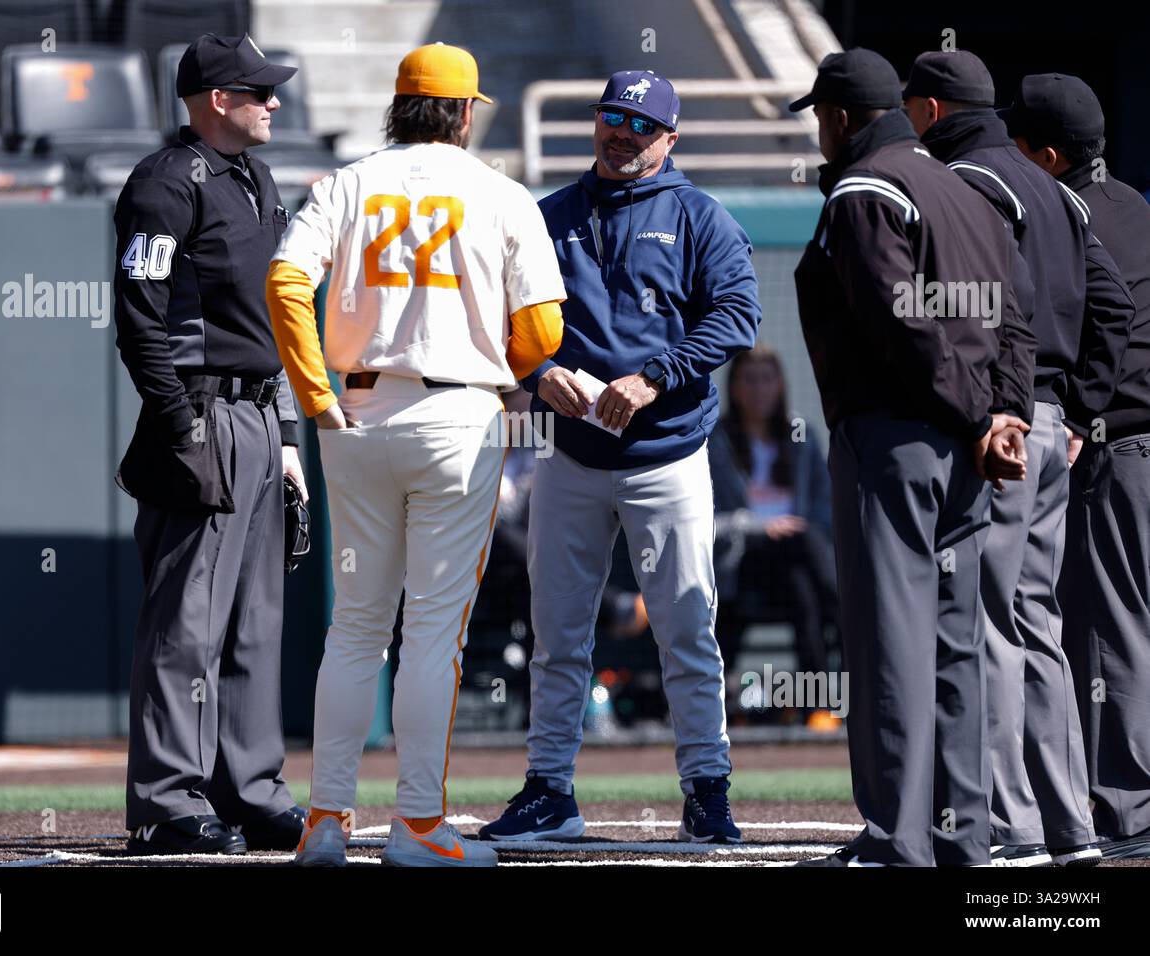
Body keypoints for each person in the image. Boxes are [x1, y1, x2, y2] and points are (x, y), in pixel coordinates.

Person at [266, 42, 565, 867]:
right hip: (456, 415)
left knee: (355, 627)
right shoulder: (503, 194)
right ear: (465, 113)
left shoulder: (344, 182)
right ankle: (419, 826)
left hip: (355, 413)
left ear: (399, 106)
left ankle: (325, 820)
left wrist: (317, 396)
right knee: (434, 630)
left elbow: (287, 283)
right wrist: (502, 362)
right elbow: (543, 333)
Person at [478, 69, 762, 846]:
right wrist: (540, 373)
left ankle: (707, 791)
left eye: (641, 124)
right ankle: (549, 791)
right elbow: (505, 317)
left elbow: (740, 313)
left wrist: (656, 376)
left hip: (667, 452)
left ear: (670, 138)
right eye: (612, 116)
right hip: (569, 456)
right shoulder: (550, 216)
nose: (622, 133)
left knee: (686, 632)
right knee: (557, 634)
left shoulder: (699, 214)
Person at [790, 49, 1036, 867]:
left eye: (821, 117)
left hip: (899, 442)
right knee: (956, 644)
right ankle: (961, 834)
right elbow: (1015, 323)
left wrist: (974, 416)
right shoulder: (966, 192)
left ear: (843, 117)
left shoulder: (866, 191)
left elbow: (901, 327)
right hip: (971, 452)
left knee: (891, 640)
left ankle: (899, 840)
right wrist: (1002, 415)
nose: (819, 132)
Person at [906, 52, 1135, 867]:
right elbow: (1113, 306)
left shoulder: (969, 183)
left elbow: (990, 308)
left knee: (986, 624)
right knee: (1036, 622)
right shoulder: (1063, 195)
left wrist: (992, 407)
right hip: (1048, 425)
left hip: (1001, 424)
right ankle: (1070, 827)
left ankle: (1015, 825)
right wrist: (1078, 409)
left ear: (930, 109)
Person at [112, 34, 309, 856]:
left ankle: (251, 790)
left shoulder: (253, 179)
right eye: (258, 92)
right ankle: (166, 801)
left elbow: (274, 323)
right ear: (217, 101)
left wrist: (290, 437)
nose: (273, 102)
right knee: (186, 624)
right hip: (204, 416)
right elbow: (139, 314)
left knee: (255, 623)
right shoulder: (167, 181)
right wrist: (179, 423)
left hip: (262, 417)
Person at [1008, 73, 1150, 862]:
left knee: (1108, 628)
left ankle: (1124, 811)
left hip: (1116, 445)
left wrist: (1085, 420)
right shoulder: (1132, 204)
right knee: (1114, 624)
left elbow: (1114, 321)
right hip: (1132, 441)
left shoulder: (1069, 213)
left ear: (1050, 154)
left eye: (1020, 142)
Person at [707, 347, 837, 726]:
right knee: (806, 555)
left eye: (767, 378)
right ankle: (843, 602)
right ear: (734, 387)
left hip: (795, 564)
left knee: (803, 586)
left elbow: (823, 510)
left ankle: (817, 709)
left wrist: (794, 529)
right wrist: (760, 526)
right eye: (749, 379)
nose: (759, 388)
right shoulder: (715, 441)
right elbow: (706, 521)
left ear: (780, 385)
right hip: (741, 560)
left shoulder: (801, 437)